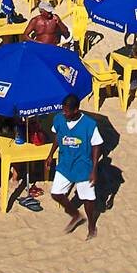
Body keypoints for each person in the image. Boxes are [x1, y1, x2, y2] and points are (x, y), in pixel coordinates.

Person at [47, 94, 102, 238]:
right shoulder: (58, 119)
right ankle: (76, 215)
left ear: (76, 110)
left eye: (67, 111)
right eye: (63, 110)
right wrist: (50, 154)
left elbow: (96, 145)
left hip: (83, 166)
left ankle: (91, 226)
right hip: (65, 163)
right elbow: (58, 136)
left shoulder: (89, 125)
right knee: (56, 193)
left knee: (88, 199)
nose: (64, 113)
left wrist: (94, 169)